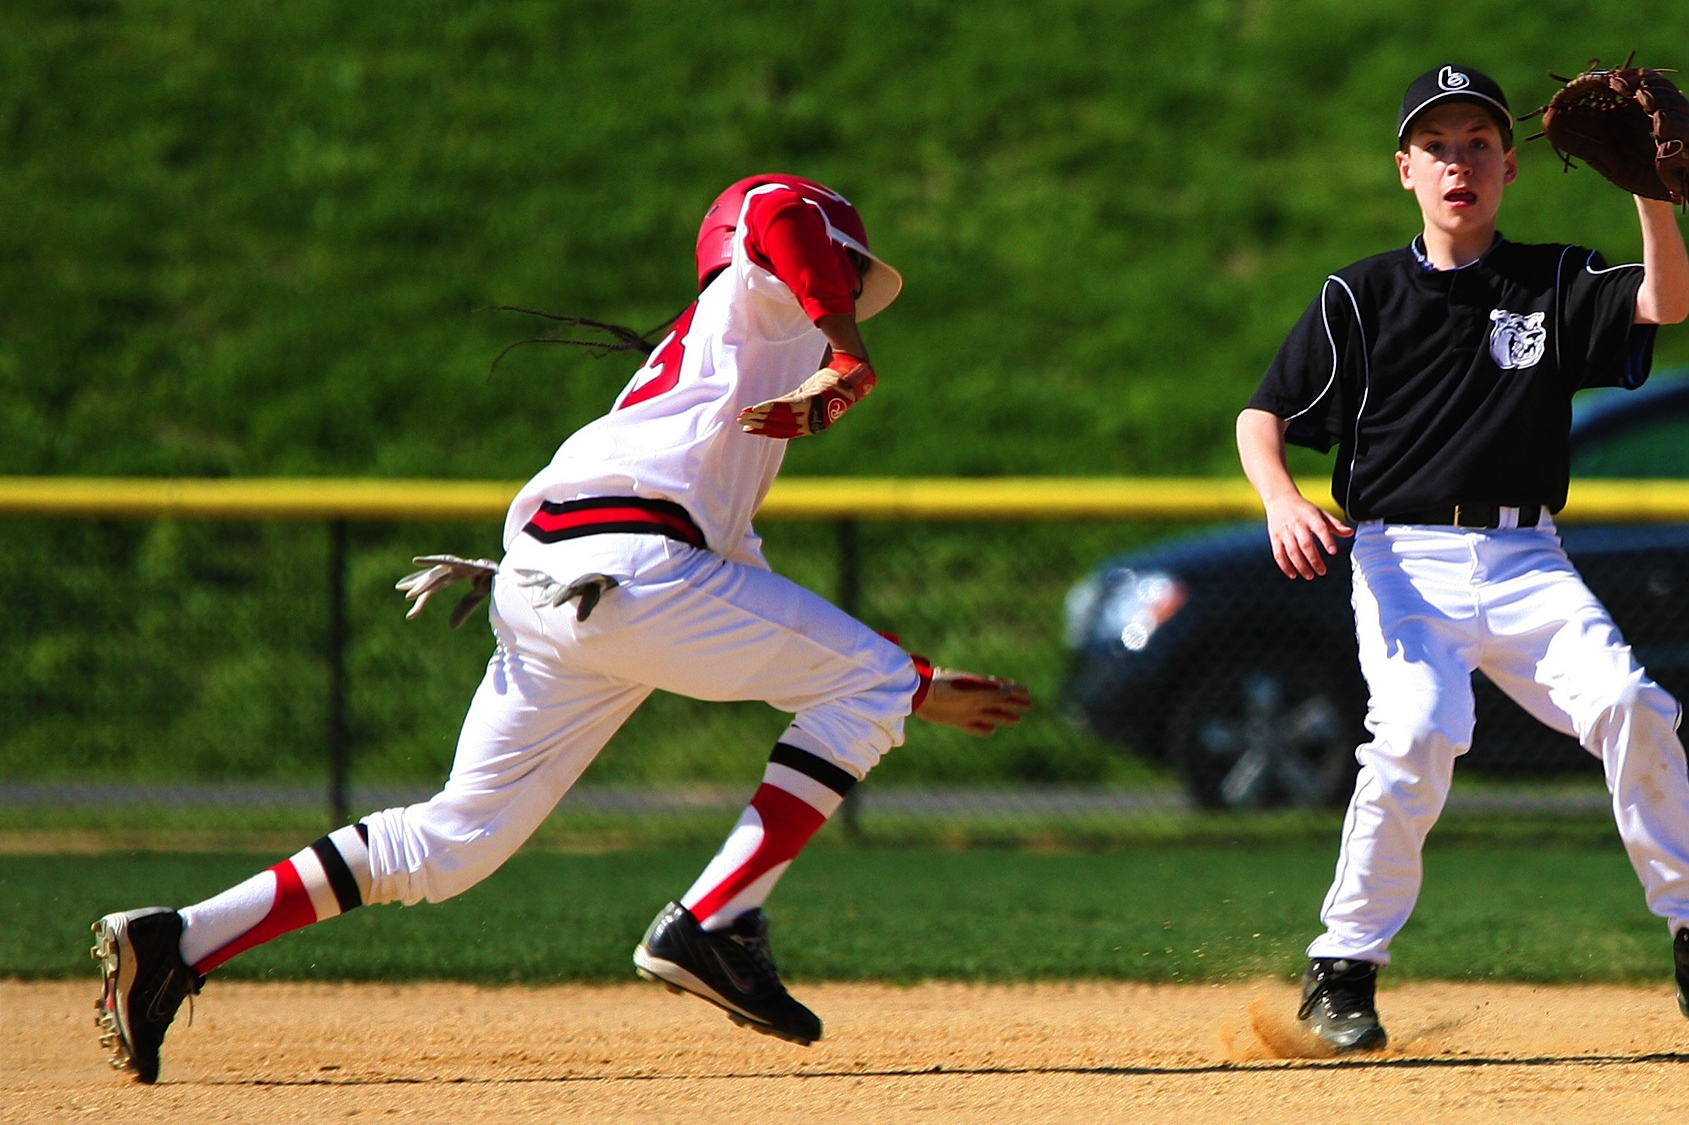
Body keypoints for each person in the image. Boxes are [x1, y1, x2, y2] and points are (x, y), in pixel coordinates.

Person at [90, 174, 1033, 1084]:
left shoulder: (713, 389)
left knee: (450, 844)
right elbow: (771, 199)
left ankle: (179, 938)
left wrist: (909, 681)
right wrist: (847, 348)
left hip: (555, 578)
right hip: (630, 566)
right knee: (866, 682)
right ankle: (716, 920)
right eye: (850, 270)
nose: (855, 291)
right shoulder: (759, 296)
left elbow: (753, 607)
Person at [1234, 65, 1689, 1054]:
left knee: (1630, 704)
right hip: (1400, 560)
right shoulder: (1359, 294)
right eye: (1435, 146)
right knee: (1417, 731)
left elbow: (1662, 306)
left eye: (1475, 144)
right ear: (1403, 171)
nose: (1455, 162)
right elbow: (1264, 415)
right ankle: (1340, 969)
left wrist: (1650, 197)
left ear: (1508, 165)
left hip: (1522, 556)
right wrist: (1280, 497)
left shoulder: (1551, 279)